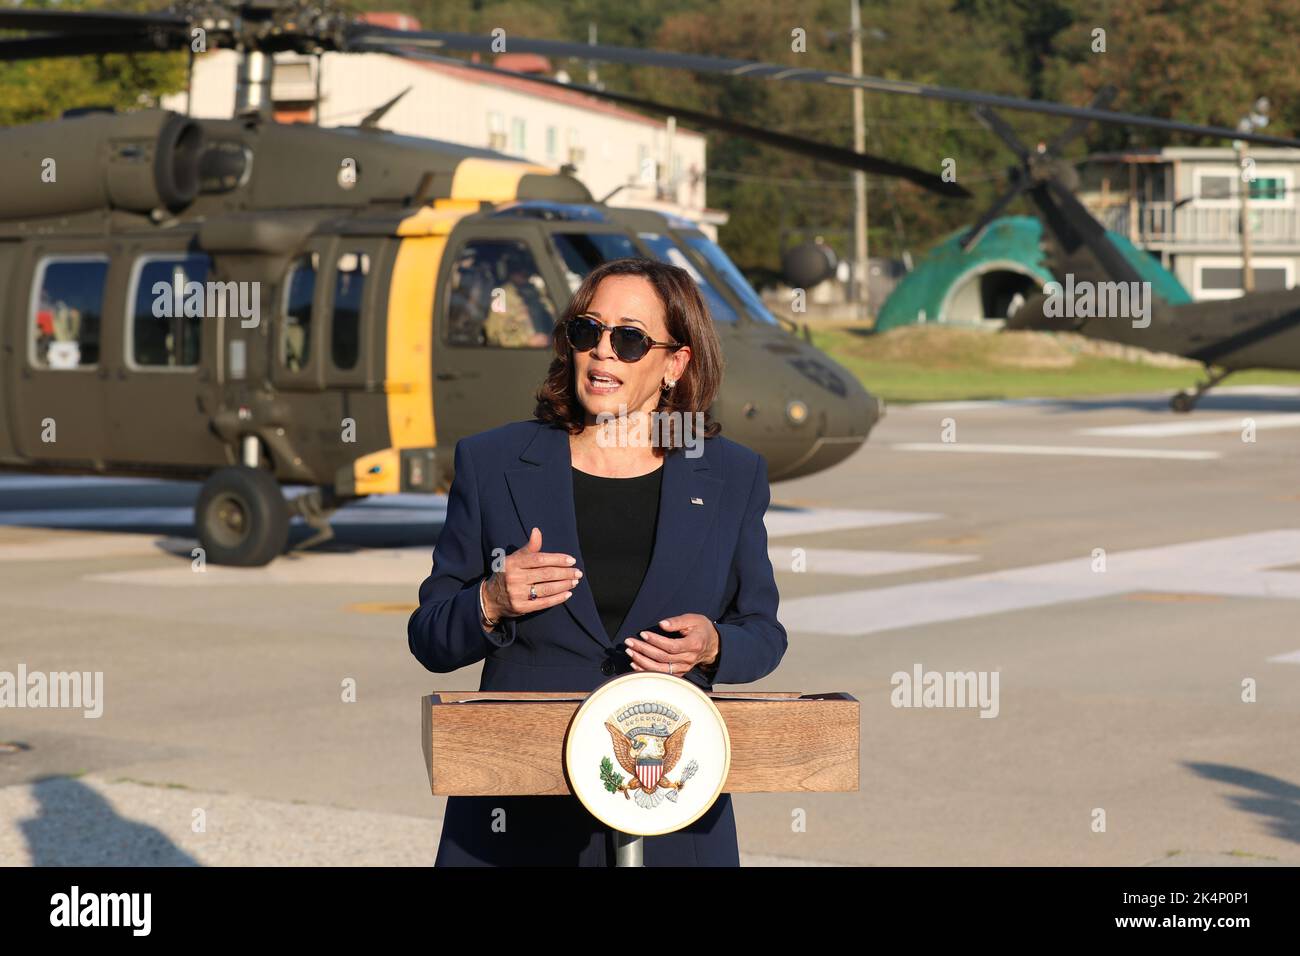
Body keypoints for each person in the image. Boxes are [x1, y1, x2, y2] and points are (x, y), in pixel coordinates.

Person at [408, 257, 786, 866]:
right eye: (588, 331)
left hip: (670, 805)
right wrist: (491, 600)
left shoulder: (732, 475)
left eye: (630, 339)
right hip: (521, 813)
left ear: (675, 363)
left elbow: (764, 634)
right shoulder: (492, 461)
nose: (604, 352)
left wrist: (713, 644)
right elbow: (429, 638)